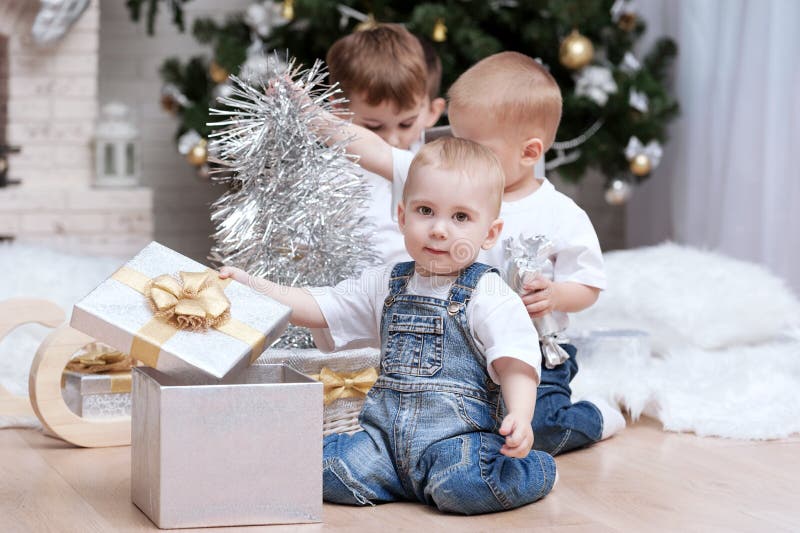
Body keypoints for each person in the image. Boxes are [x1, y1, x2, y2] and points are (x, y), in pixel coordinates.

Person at [220, 137, 557, 514]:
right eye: (426, 210)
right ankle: (390, 479)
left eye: (460, 217)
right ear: (402, 216)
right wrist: (254, 287)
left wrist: (521, 416)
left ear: (490, 233)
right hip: (383, 445)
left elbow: (516, 361)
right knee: (321, 469)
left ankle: (535, 470)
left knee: (464, 485)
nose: (440, 229)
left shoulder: (488, 292)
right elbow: (320, 306)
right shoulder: (385, 284)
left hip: (457, 444)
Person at [317, 51, 626, 455]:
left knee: (541, 430)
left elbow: (588, 285)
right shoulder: (446, 182)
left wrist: (555, 294)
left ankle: (599, 415)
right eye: (456, 139)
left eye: (474, 144)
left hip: (532, 353)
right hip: (459, 348)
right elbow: (374, 151)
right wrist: (311, 113)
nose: (460, 152)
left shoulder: (560, 214)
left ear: (530, 153)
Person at [326, 24, 443, 264]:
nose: (391, 140)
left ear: (433, 111)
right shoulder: (330, 174)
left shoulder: (440, 164)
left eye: (406, 124)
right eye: (374, 127)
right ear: (338, 111)